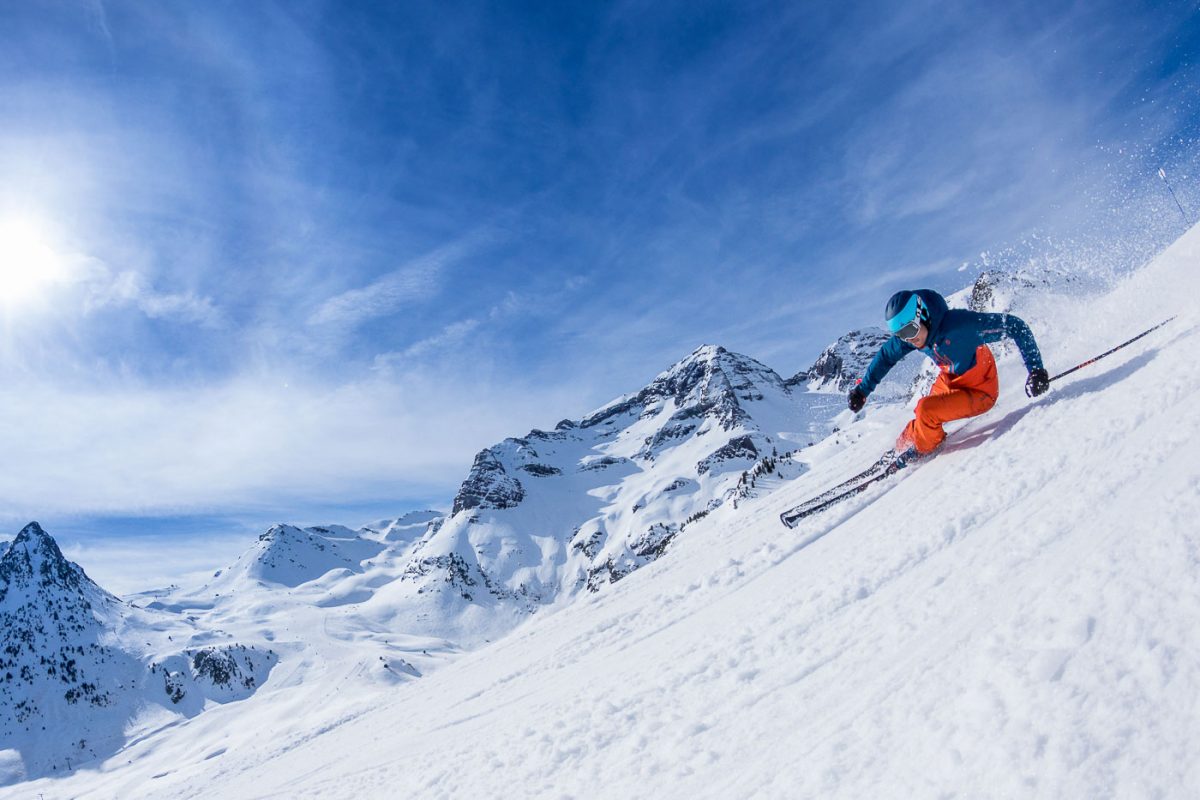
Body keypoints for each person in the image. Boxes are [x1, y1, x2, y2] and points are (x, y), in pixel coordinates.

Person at [848, 289, 1050, 458]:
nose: (908, 340)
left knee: (926, 410)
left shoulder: (961, 326)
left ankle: (922, 449)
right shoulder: (914, 335)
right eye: (900, 336)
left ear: (922, 315)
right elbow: (885, 357)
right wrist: (862, 391)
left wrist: (1036, 370)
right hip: (950, 379)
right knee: (921, 415)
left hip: (980, 389)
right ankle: (900, 447)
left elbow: (1016, 326)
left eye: (909, 331)